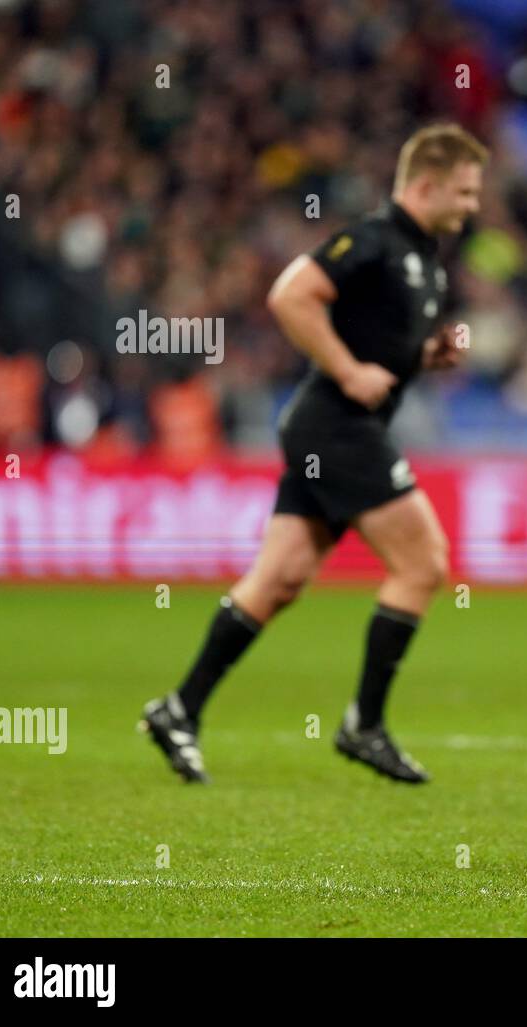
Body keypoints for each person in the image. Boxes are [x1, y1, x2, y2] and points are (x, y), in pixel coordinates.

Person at [140, 124, 487, 785]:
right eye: (465, 192)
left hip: (326, 431)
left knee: (278, 581)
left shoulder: (425, 264)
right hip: (336, 426)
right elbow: (291, 294)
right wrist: (350, 370)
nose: (472, 205)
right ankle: (365, 722)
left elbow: (381, 343)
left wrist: (423, 356)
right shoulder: (374, 240)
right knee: (423, 563)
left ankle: (178, 709)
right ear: (425, 185)